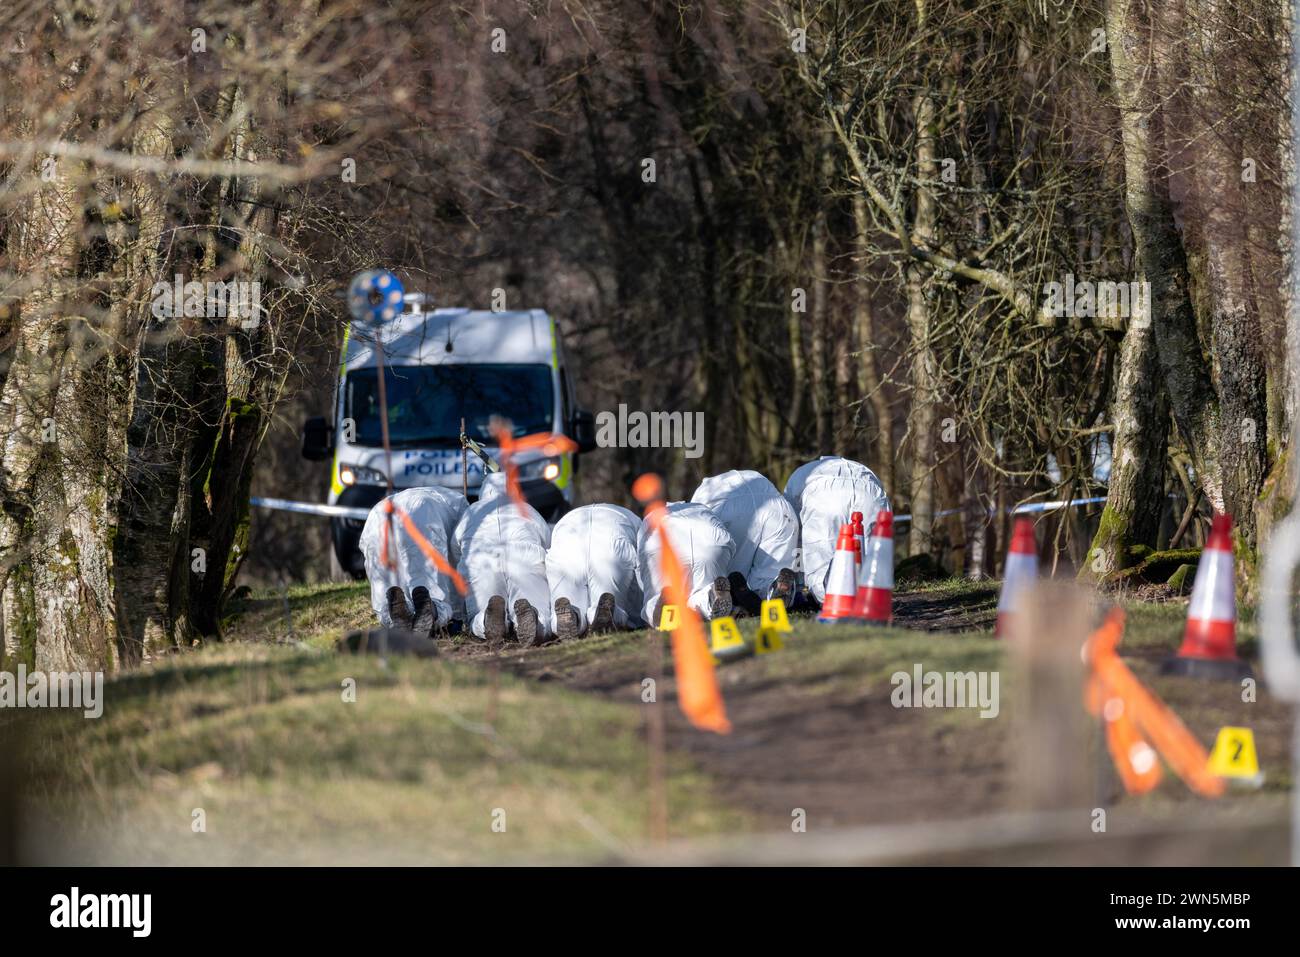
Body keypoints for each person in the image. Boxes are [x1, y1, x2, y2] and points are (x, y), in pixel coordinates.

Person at [452, 473, 553, 645]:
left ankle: (486, 620)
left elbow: (455, 550)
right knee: (540, 614)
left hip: (481, 558)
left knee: (477, 615)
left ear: (483, 493)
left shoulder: (472, 511)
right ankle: (531, 618)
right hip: (523, 556)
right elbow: (548, 543)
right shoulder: (527, 509)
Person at [359, 486, 468, 636]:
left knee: (385, 595)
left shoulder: (449, 498)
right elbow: (461, 557)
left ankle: (396, 616)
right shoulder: (461, 504)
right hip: (424, 513)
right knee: (431, 589)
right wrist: (458, 616)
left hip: (378, 517)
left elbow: (365, 548)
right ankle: (432, 610)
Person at [690, 469, 799, 614]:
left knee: (712, 582)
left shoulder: (700, 497)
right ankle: (772, 589)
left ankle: (713, 598)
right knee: (767, 577)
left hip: (726, 504)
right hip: (776, 506)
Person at [783, 456, 890, 604]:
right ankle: (870, 599)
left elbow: (791, 527)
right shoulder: (861, 467)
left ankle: (828, 596)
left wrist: (798, 579)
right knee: (867, 556)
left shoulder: (803, 473)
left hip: (825, 494)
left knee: (821, 560)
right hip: (870, 493)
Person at [546, 503, 644, 638]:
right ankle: (609, 614)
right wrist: (638, 617)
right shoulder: (637, 521)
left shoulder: (564, 519)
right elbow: (641, 573)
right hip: (612, 535)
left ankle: (571, 616)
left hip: (567, 533)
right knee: (613, 602)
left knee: (567, 599)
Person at [636, 501, 737, 626]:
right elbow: (731, 549)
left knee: (654, 597)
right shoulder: (702, 507)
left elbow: (641, 570)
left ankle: (663, 607)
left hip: (665, 540)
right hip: (709, 539)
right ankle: (710, 597)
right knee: (701, 592)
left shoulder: (650, 517)